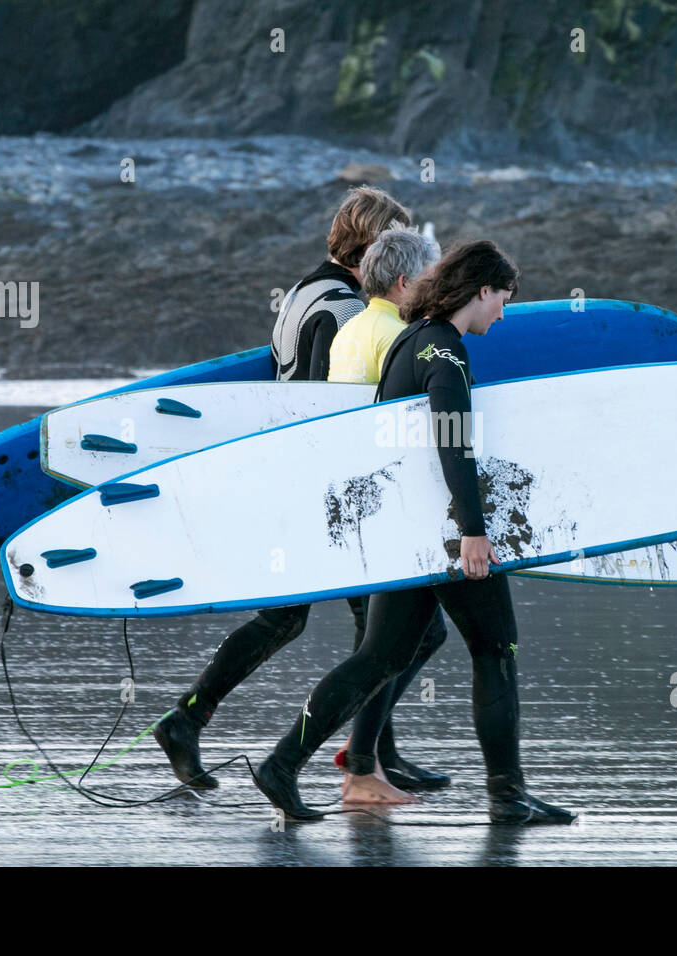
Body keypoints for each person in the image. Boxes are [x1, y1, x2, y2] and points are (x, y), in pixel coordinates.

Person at [253, 240, 576, 825]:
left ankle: (282, 763)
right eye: (502, 299)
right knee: (496, 649)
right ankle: (507, 796)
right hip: (445, 533)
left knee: (380, 657)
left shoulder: (412, 338)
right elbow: (453, 443)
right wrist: (473, 531)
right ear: (481, 290)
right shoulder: (445, 354)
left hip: (405, 531)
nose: (503, 314)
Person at [153, 187, 448, 794]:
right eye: (394, 244)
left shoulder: (300, 294)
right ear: (372, 247)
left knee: (302, 621)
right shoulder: (342, 309)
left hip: (294, 480)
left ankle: (195, 721)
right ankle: (362, 757)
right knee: (395, 631)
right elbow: (322, 407)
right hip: (323, 488)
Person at [326, 226, 451, 805]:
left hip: (352, 503)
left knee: (396, 641)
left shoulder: (351, 330)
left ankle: (368, 754)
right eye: (430, 279)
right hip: (388, 509)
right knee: (404, 640)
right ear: (405, 283)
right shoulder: (401, 336)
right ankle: (358, 760)